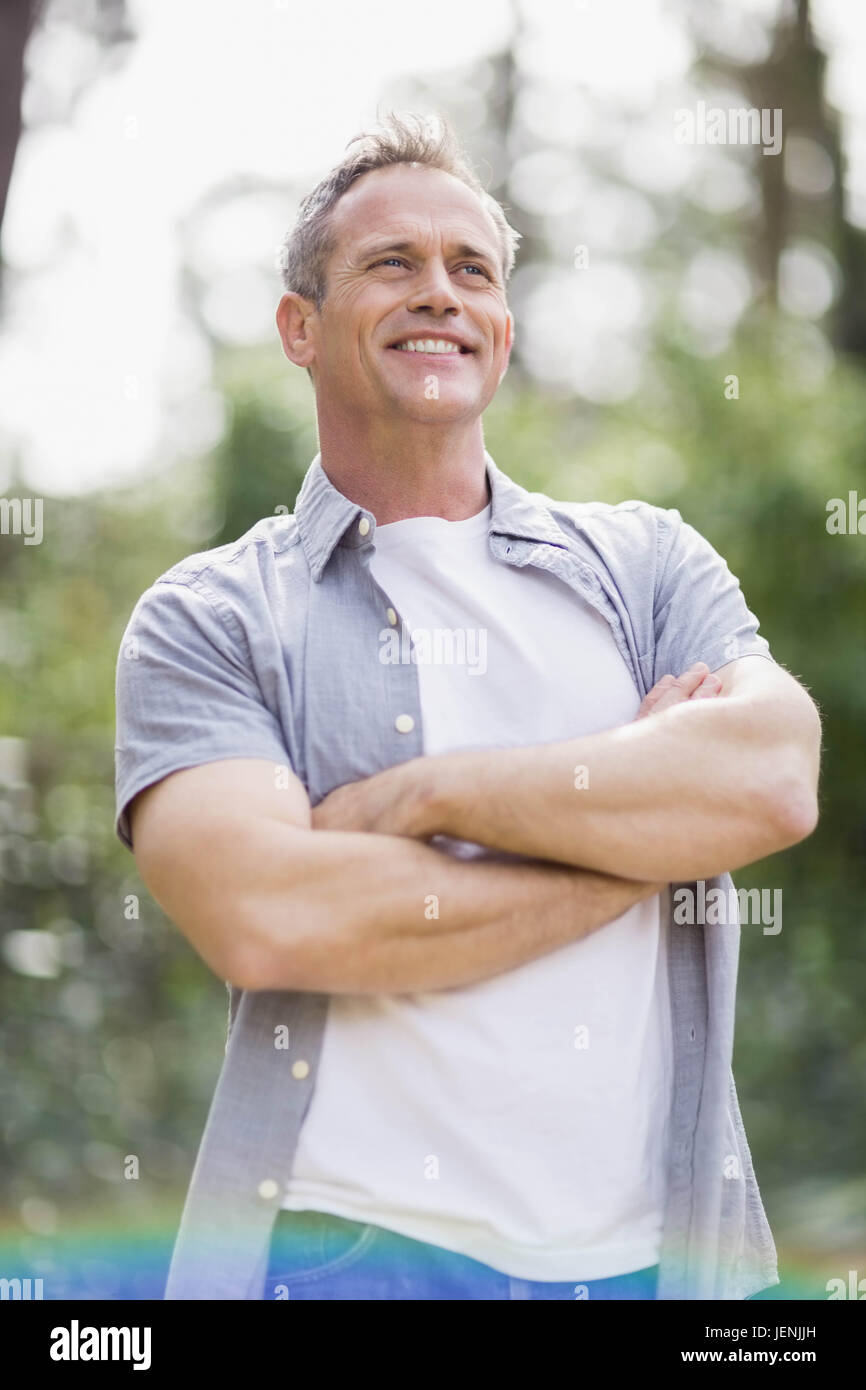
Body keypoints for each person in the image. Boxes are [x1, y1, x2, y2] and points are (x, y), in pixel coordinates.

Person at [114, 112, 821, 1301]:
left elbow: (768, 779)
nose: (436, 292)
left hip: (667, 1270)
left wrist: (426, 797)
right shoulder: (215, 617)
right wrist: (648, 835)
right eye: (391, 263)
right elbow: (274, 918)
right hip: (352, 1264)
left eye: (471, 269)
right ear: (300, 325)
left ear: (502, 328)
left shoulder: (644, 565)